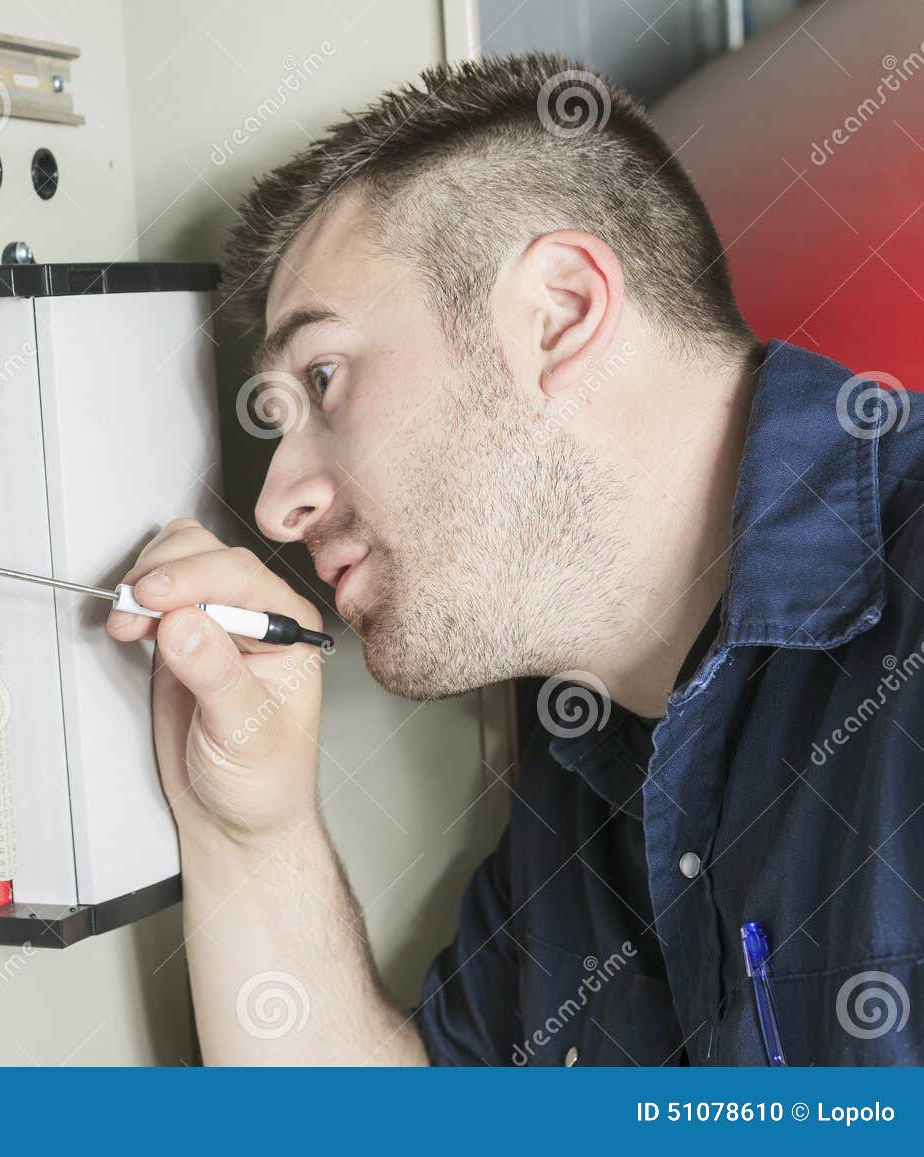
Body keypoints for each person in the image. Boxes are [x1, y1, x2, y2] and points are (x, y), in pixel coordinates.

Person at [107, 53, 924, 1066]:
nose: (277, 508)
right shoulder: (580, 793)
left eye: (322, 376)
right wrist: (248, 827)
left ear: (561, 311)